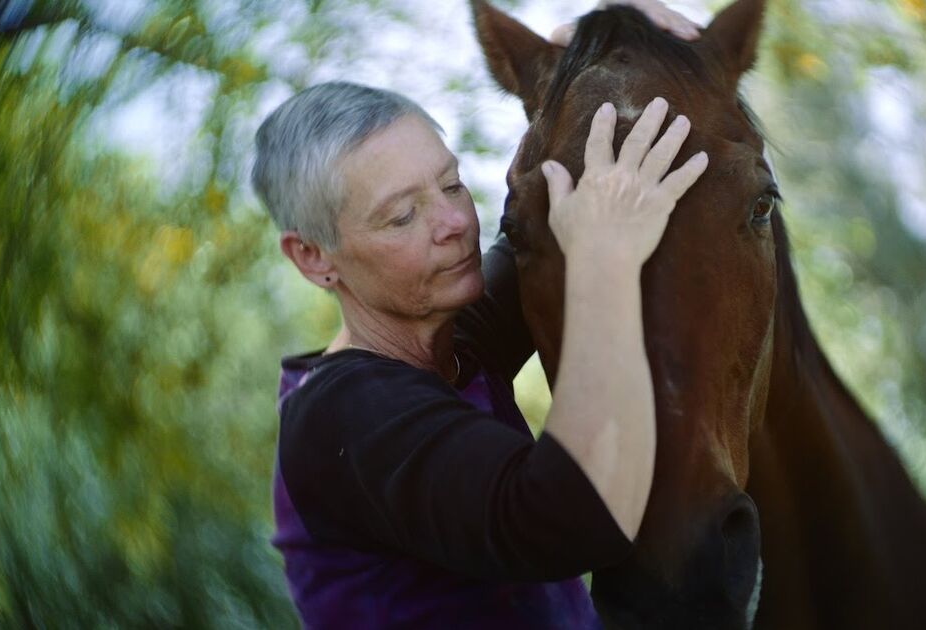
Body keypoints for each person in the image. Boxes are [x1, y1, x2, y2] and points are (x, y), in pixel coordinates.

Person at [254, 3, 708, 627]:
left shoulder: (448, 329)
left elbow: (539, 227)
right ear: (312, 257)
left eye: (450, 183)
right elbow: (572, 519)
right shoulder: (339, 416)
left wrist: (578, 52)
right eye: (401, 216)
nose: (453, 223)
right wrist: (605, 257)